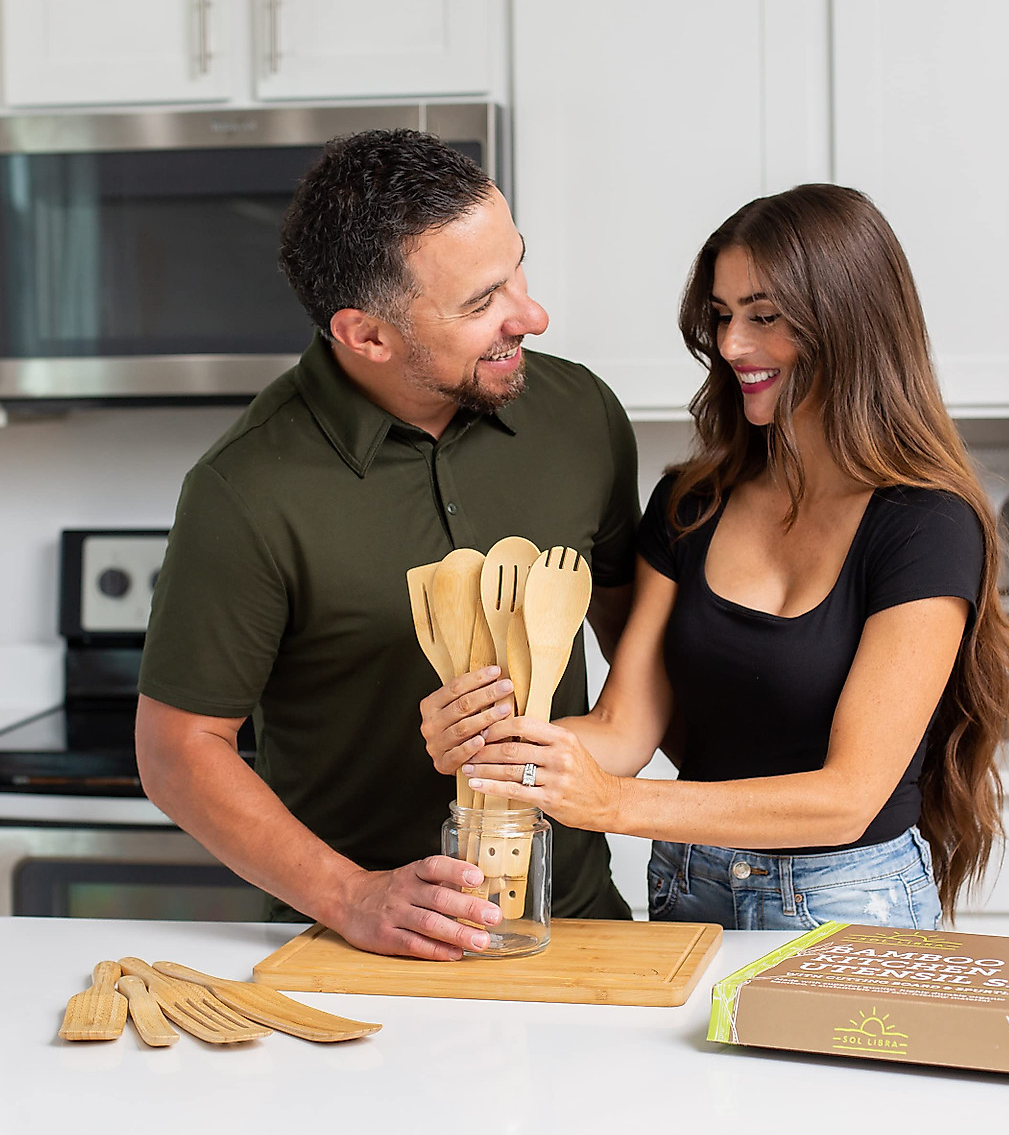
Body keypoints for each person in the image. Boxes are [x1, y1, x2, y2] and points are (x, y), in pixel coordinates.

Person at [421, 183, 1009, 931]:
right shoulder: (688, 504)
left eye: (764, 317)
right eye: (722, 315)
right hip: (689, 887)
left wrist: (616, 806)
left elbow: (848, 797)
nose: (733, 345)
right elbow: (624, 730)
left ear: (850, 326)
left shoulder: (924, 524)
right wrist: (494, 744)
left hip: (849, 901)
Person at [135, 129, 640, 960]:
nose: (532, 314)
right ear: (366, 336)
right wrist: (352, 895)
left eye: (517, 265)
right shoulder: (245, 490)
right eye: (481, 302)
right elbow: (176, 750)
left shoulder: (580, 414)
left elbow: (636, 655)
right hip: (359, 952)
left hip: (578, 929)